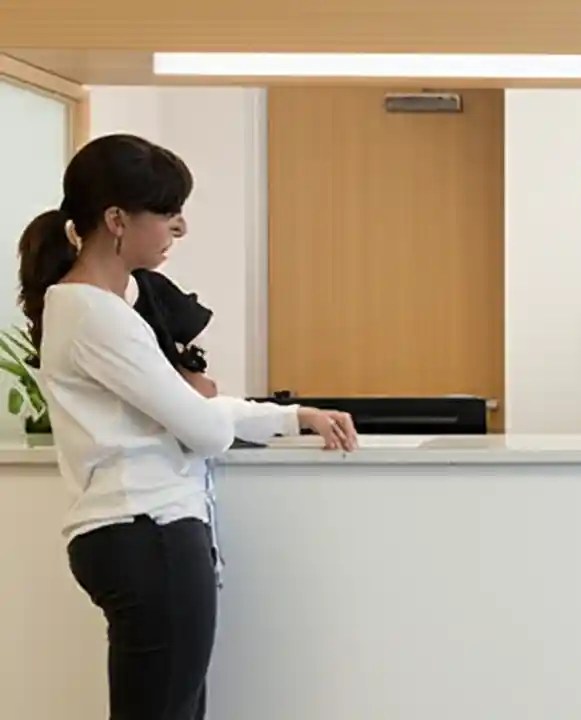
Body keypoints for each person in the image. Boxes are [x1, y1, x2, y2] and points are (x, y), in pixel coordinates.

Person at [17, 133, 358, 720]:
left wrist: (290, 416)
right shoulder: (95, 314)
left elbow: (196, 409)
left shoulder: (98, 309)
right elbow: (205, 429)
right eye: (167, 212)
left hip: (139, 535)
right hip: (148, 536)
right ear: (116, 220)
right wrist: (196, 400)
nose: (179, 227)